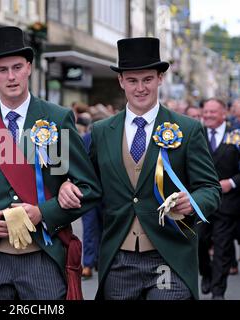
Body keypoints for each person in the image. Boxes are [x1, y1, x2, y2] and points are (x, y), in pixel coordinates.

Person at [58, 37, 221, 300]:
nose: (140, 88)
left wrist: (193, 200)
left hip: (169, 256)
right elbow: (86, 182)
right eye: (132, 80)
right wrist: (67, 185)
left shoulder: (188, 129)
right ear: (121, 81)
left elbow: (210, 188)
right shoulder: (101, 132)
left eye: (147, 79)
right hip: (119, 259)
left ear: (160, 78)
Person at [0, 26, 100, 300]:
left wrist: (44, 212)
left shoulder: (57, 117)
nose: (11, 76)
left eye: (17, 67)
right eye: (3, 69)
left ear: (29, 68)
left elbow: (89, 189)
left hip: (43, 258)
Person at [198, 98, 240, 300]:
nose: (208, 116)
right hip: (200, 202)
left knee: (223, 248)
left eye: (212, 112)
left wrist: (231, 182)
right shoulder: (196, 134)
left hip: (227, 203)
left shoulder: (236, 135)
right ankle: (206, 273)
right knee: (199, 243)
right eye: (205, 112)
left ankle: (218, 291)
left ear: (224, 113)